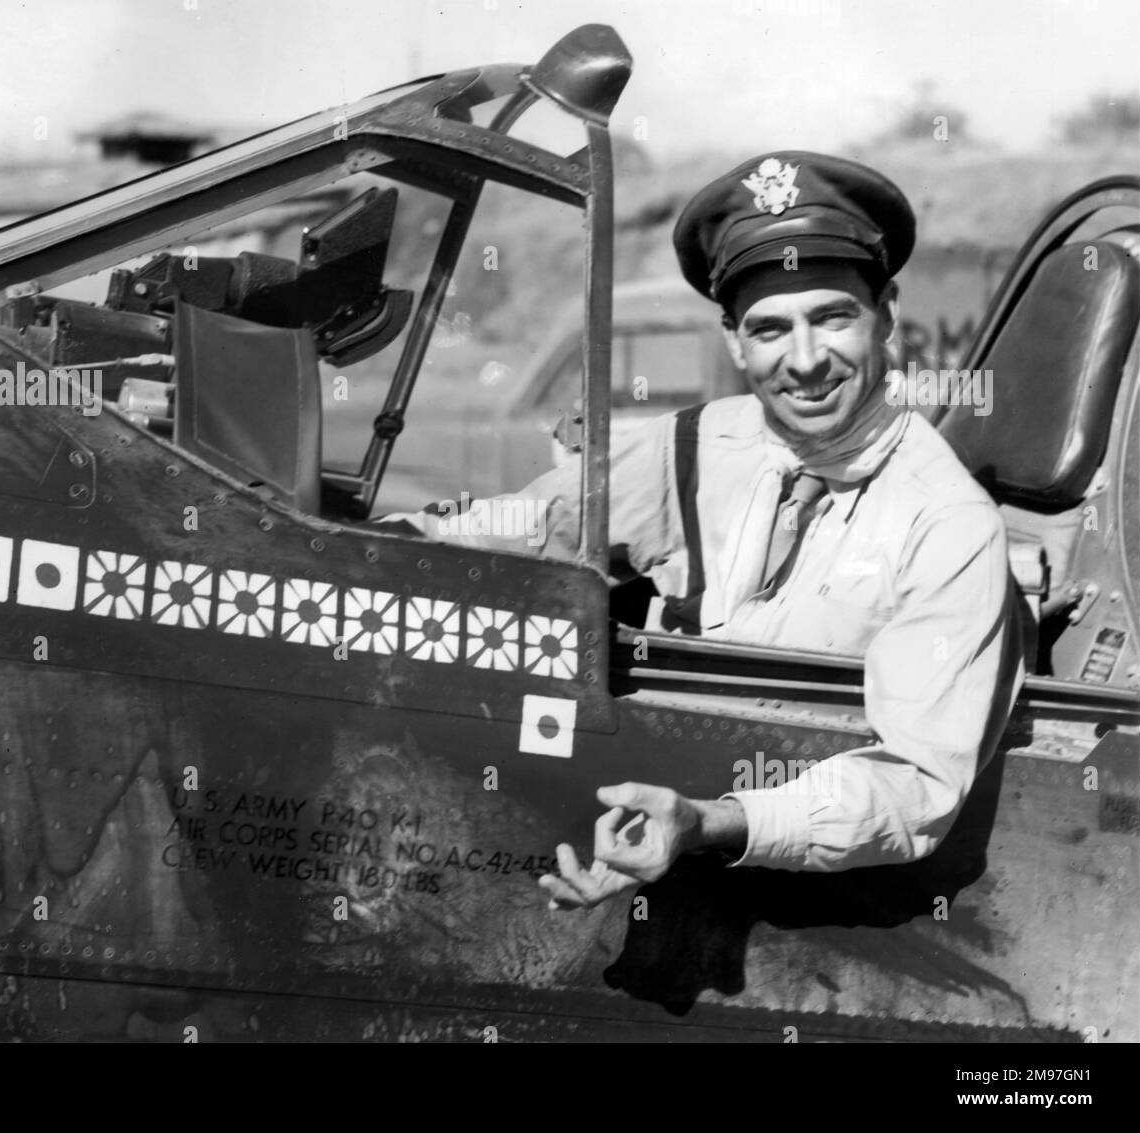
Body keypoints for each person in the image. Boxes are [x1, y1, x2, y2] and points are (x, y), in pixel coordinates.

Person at [393, 151, 1025, 909]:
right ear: (733, 341)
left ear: (886, 314)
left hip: (799, 906)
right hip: (629, 844)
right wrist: (357, 539)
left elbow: (914, 785)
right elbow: (524, 529)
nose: (805, 360)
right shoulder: (692, 446)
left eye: (833, 317)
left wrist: (712, 821)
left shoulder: (948, 523)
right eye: (769, 329)